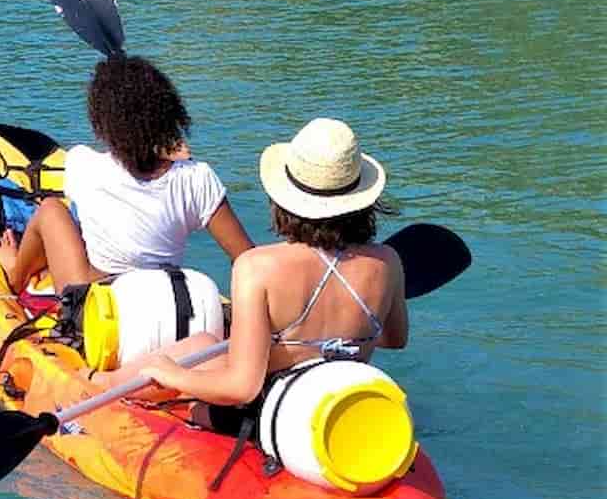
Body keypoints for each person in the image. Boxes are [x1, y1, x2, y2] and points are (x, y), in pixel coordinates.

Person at [111, 117, 408, 426]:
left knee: (185, 361)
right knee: (202, 344)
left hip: (270, 413)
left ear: (284, 199)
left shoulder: (257, 266)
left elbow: (242, 388)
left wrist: (175, 375)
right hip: (342, 402)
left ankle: (94, 384)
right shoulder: (388, 261)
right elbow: (394, 338)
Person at [0, 54, 253, 296]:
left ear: (101, 123)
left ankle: (16, 274)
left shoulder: (82, 162)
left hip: (98, 307)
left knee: (50, 209)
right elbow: (246, 258)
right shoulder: (198, 177)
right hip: (163, 299)